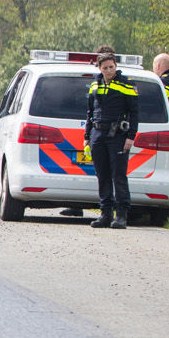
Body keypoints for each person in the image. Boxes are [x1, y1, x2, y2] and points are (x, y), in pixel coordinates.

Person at [84, 52, 139, 229]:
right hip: (98, 134)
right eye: (105, 68)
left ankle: (121, 215)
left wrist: (131, 136)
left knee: (118, 176)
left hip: (118, 136)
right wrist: (87, 136)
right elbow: (90, 113)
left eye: (111, 67)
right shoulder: (95, 84)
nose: (109, 71)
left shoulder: (126, 84)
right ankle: (105, 214)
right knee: (103, 175)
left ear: (115, 66)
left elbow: (135, 112)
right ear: (100, 68)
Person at [62, 45, 115, 218]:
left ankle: (100, 209)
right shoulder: (96, 82)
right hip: (95, 132)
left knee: (109, 176)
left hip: (103, 132)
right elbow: (91, 109)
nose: (106, 68)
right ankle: (80, 206)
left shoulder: (115, 82)